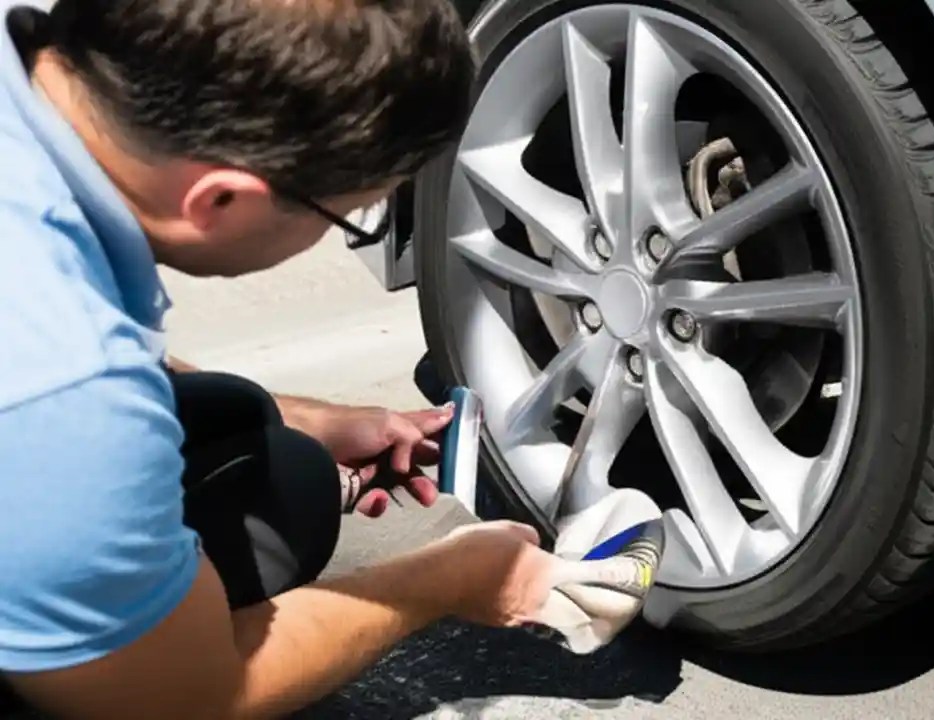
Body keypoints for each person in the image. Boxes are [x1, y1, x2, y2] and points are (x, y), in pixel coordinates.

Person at [0, 1, 564, 717]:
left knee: (259, 434)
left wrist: (307, 415)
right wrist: (448, 580)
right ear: (221, 200)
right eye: (349, 215)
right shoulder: (64, 389)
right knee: (280, 507)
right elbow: (196, 696)